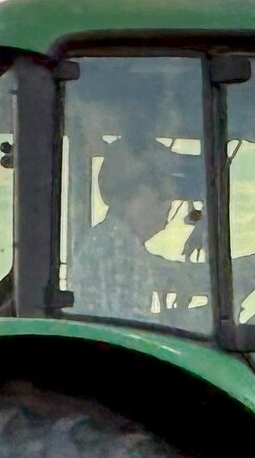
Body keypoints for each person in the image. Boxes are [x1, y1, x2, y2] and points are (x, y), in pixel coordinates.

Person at [69, 136, 211, 326]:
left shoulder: (115, 242)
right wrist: (189, 319)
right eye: (162, 195)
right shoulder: (118, 251)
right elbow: (131, 330)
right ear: (134, 199)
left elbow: (170, 272)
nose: (169, 206)